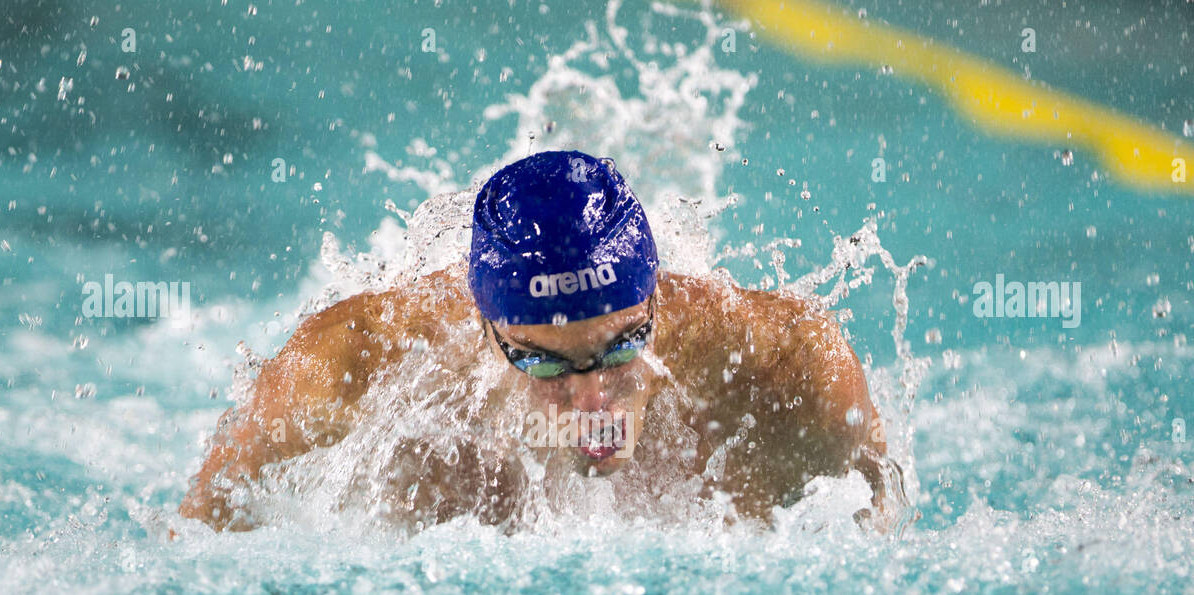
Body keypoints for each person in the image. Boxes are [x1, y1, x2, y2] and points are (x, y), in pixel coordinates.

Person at [180, 150, 906, 532]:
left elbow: (877, 539)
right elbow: (203, 539)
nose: (592, 396)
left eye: (622, 347)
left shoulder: (786, 367)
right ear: (485, 325)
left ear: (656, 299)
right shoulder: (347, 366)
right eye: (541, 361)